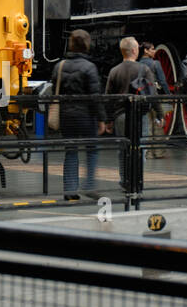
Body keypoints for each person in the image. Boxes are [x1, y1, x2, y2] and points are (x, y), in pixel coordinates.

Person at [53, 29, 104, 201]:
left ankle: (70, 190)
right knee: (92, 149)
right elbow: (95, 95)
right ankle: (89, 185)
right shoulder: (90, 67)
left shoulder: (59, 66)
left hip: (67, 116)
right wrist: (102, 118)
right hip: (86, 116)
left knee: (71, 151)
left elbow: (55, 92)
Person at [104, 36, 152, 189]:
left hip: (120, 115)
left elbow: (108, 97)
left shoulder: (114, 71)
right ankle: (137, 180)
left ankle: (125, 180)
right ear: (133, 50)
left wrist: (108, 120)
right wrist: (158, 113)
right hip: (139, 114)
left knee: (123, 150)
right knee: (140, 147)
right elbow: (152, 93)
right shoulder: (144, 69)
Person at [139, 42, 171, 158]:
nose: (154, 51)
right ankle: (158, 152)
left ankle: (147, 153)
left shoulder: (137, 64)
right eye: (152, 49)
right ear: (146, 51)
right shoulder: (155, 64)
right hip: (155, 95)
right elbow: (163, 81)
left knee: (146, 125)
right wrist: (169, 95)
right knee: (158, 123)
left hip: (143, 97)